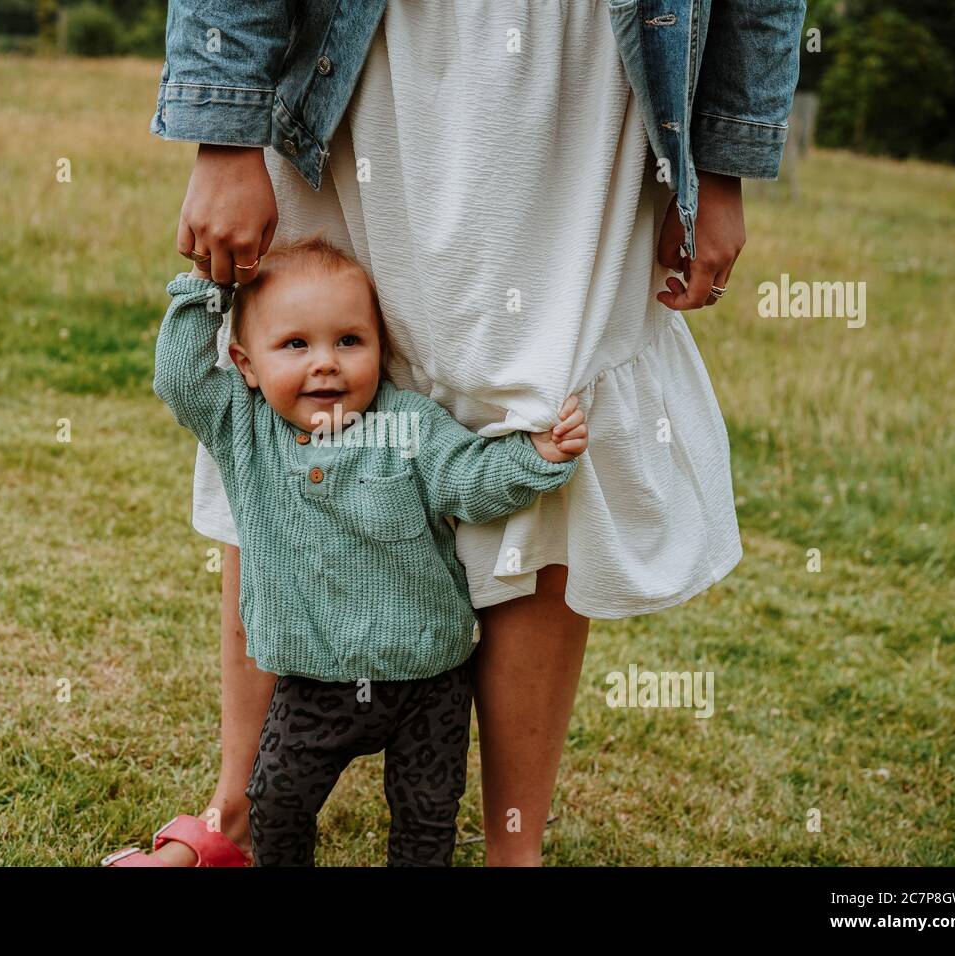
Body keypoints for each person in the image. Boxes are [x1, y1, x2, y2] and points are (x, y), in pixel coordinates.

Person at [122, 0, 805, 867]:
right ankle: (235, 820)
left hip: (576, 66)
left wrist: (721, 163)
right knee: (286, 380)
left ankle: (510, 856)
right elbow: (207, 386)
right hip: (365, 45)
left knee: (540, 388)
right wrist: (223, 134)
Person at [112, 237, 586, 866]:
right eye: (295, 345)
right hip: (312, 679)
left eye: (348, 341)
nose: (325, 364)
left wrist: (536, 457)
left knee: (425, 823)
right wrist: (205, 288)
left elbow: (470, 481)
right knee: (277, 802)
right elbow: (179, 380)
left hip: (428, 679)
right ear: (246, 365)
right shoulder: (244, 428)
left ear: (380, 350)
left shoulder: (409, 426)